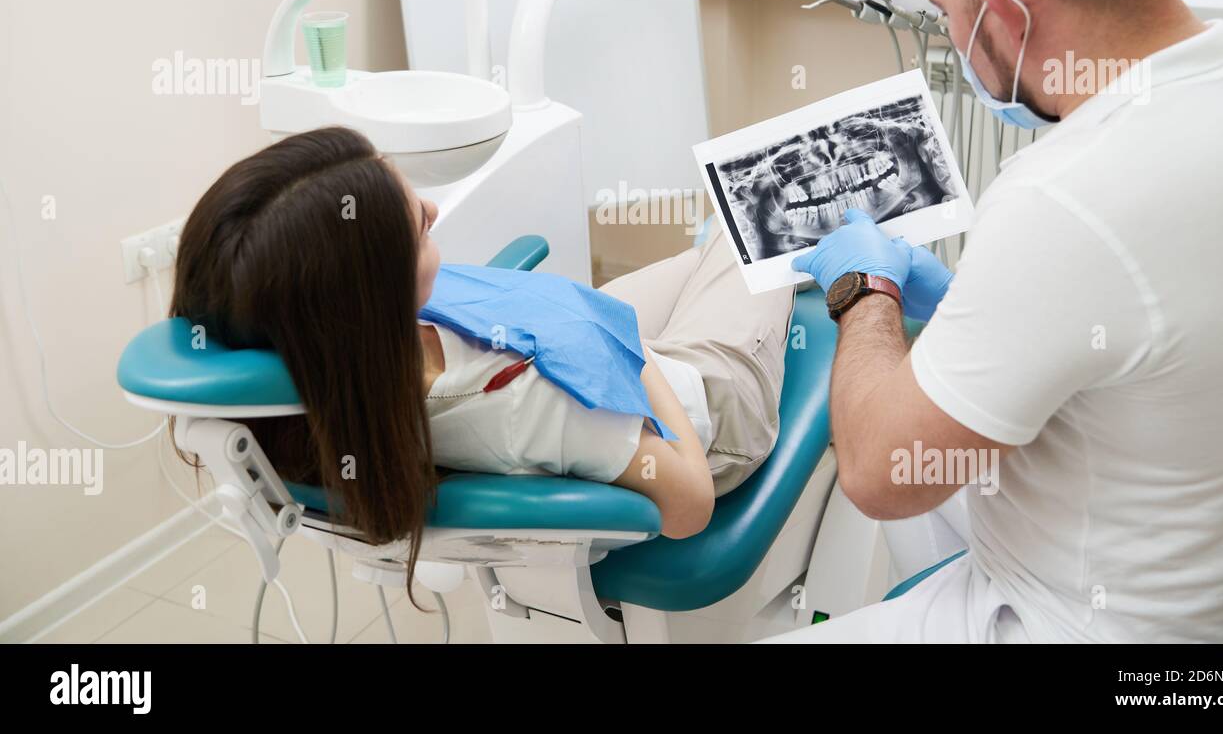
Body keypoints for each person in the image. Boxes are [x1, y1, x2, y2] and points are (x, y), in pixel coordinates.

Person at [770, 0, 1223, 643]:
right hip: (1206, 551)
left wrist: (862, 288)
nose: (947, 30)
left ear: (1008, 14)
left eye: (946, 10)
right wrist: (968, 303)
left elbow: (880, 469)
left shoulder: (1067, 193)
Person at [170, 126, 794, 598]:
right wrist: (631, 357)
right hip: (701, 407)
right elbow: (688, 504)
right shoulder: (535, 404)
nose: (434, 212)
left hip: (579, 355)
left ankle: (724, 250)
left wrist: (588, 329)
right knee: (772, 204)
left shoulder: (350, 375)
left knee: (727, 232)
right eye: (416, 226)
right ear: (372, 296)